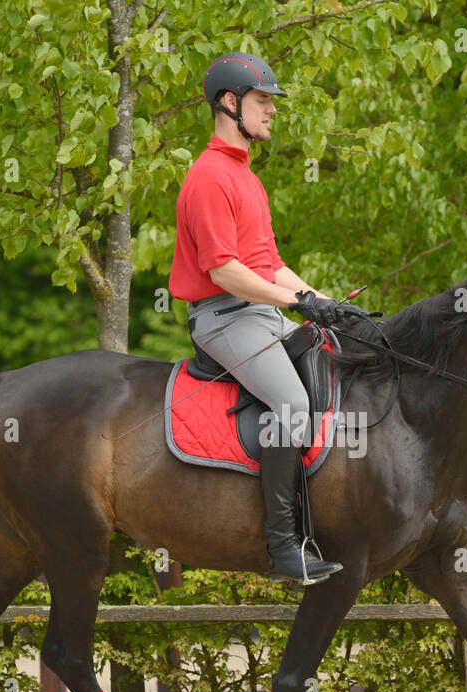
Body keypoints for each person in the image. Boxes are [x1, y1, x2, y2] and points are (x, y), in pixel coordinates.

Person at [168, 52, 368, 584]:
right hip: (225, 318)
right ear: (229, 104)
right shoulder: (210, 177)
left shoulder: (245, 176)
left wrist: (326, 303)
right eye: (262, 101)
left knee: (337, 358)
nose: (272, 111)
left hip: (260, 311)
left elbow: (270, 265)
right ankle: (283, 548)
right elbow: (226, 272)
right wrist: (298, 304)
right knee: (291, 403)